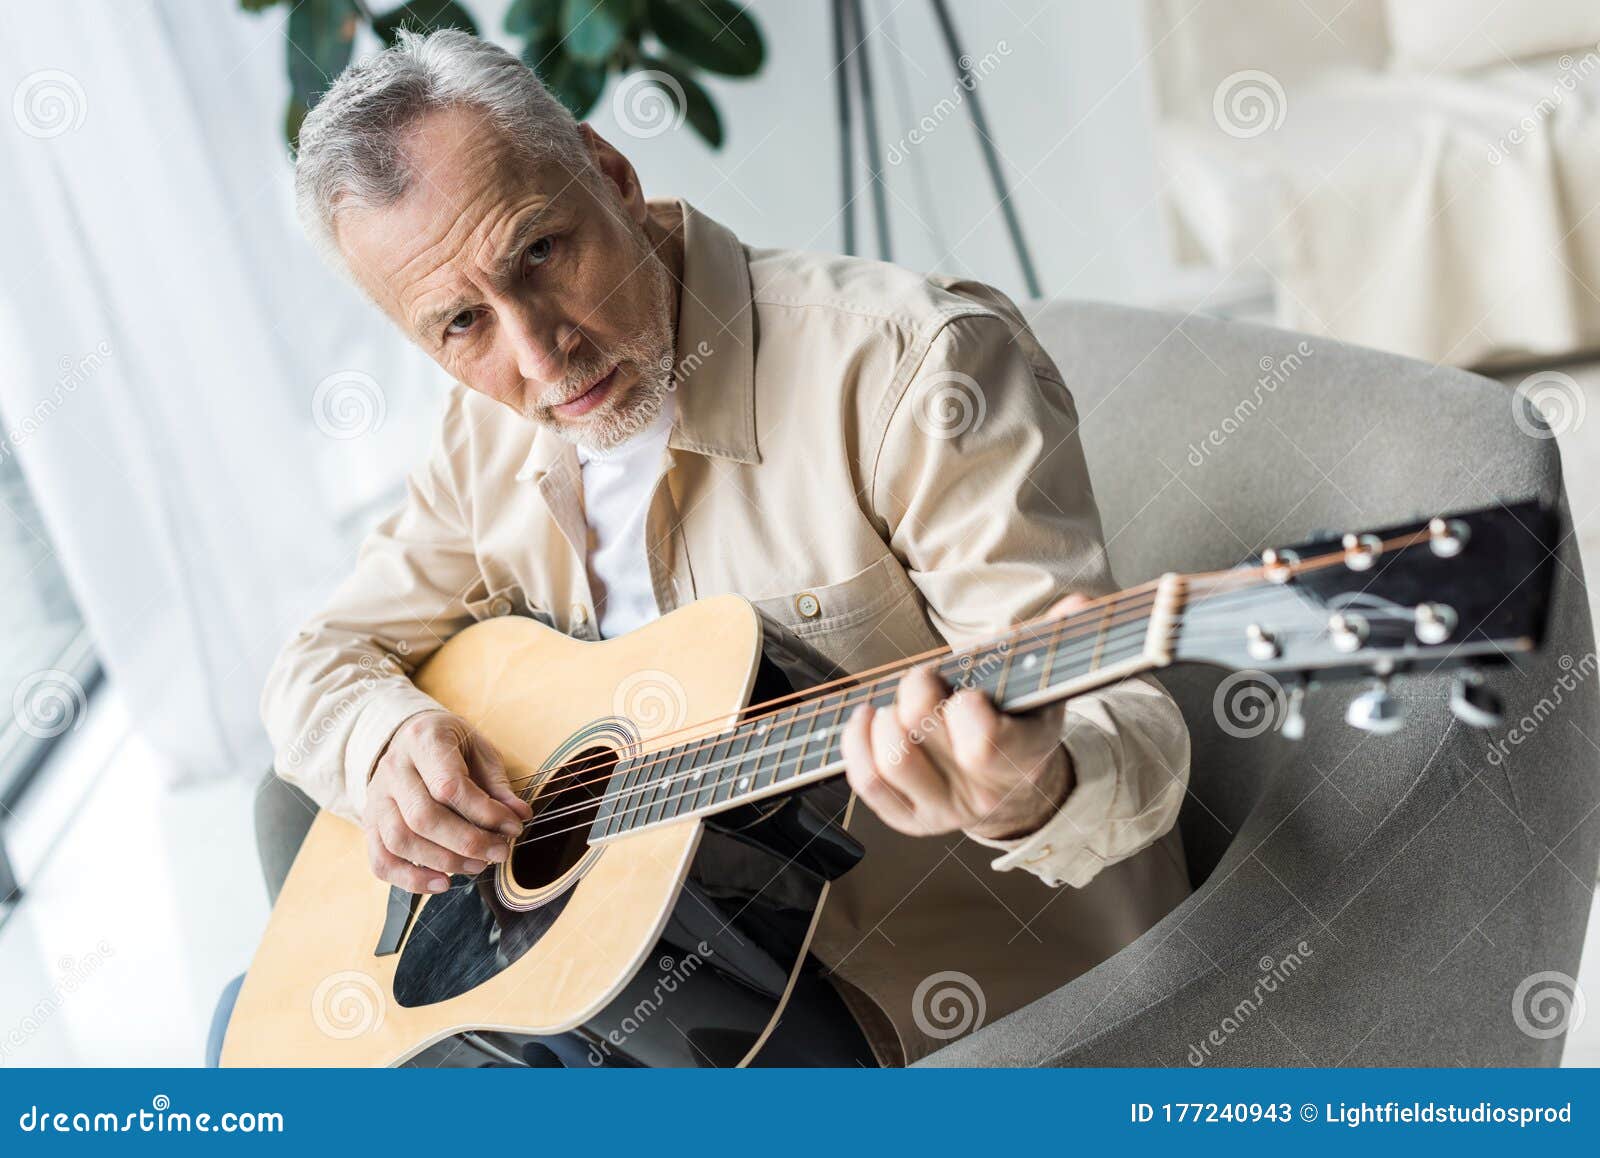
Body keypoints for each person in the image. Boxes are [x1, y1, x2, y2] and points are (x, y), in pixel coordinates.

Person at [260, 29, 1192, 1066]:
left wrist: (1031, 788)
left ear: (609, 174)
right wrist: (383, 742)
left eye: (540, 253)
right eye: (461, 323)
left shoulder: (914, 371)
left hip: (932, 1023)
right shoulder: (487, 431)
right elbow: (317, 666)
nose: (540, 353)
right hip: (631, 1011)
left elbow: (1128, 730)